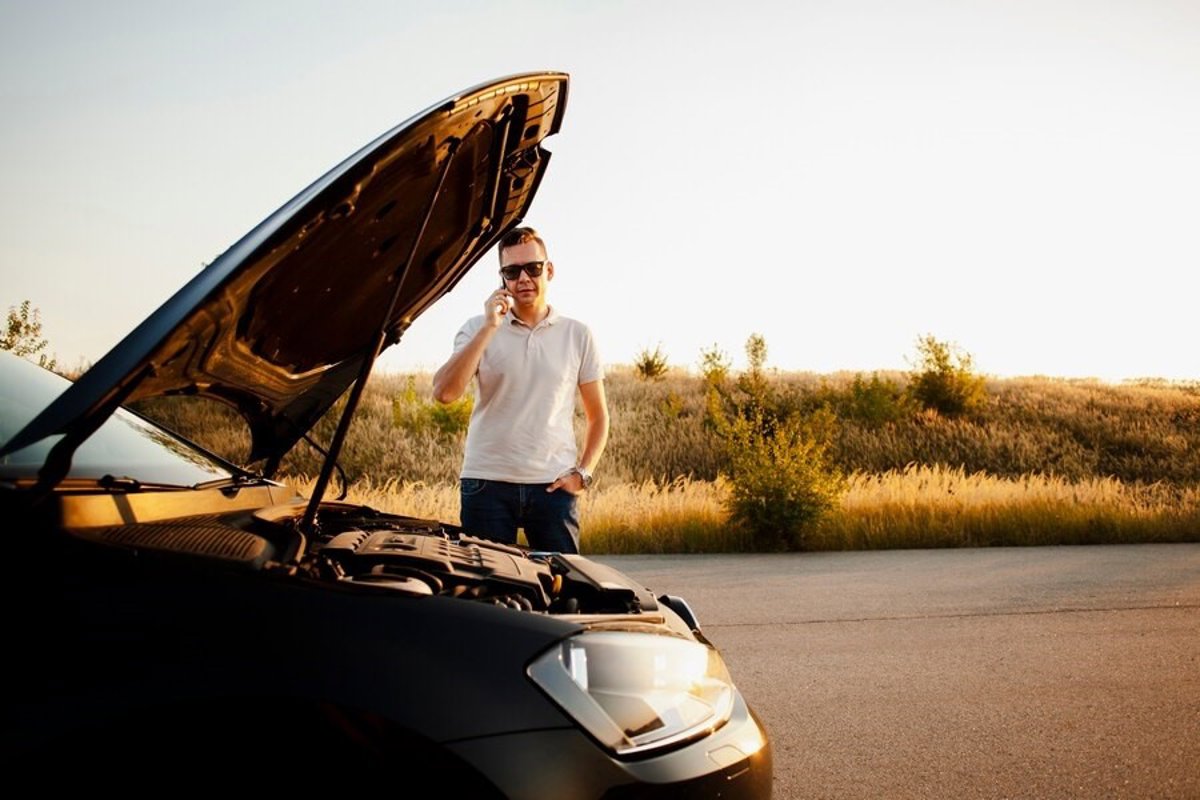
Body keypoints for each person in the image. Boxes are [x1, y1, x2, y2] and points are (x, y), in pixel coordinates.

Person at [432, 226, 609, 553]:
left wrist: (583, 474)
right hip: (486, 484)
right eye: (512, 272)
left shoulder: (578, 334)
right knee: (488, 597)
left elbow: (598, 417)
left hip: (553, 486)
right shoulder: (475, 328)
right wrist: (489, 327)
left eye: (533, 268)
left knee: (562, 592)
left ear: (549, 270)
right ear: (502, 279)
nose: (524, 278)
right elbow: (444, 393)